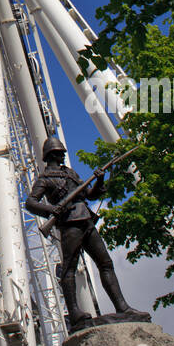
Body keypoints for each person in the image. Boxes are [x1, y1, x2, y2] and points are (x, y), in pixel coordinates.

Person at [25, 135, 149, 330]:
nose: (64, 156)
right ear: (52, 154)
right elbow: (30, 202)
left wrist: (99, 180)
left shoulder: (71, 174)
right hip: (70, 224)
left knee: (105, 263)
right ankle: (75, 314)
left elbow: (90, 195)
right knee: (69, 269)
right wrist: (51, 210)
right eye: (60, 153)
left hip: (86, 220)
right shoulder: (45, 179)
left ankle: (122, 307)